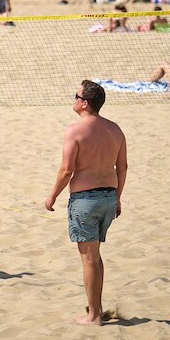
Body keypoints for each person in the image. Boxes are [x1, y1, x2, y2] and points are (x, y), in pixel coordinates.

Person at [43, 80, 128, 326]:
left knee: (89, 259)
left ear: (85, 103)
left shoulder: (75, 130)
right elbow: (122, 167)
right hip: (109, 197)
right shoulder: (115, 129)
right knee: (95, 256)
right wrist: (118, 197)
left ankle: (94, 316)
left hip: (85, 200)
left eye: (76, 96)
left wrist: (52, 196)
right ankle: (96, 308)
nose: (74, 99)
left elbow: (67, 170)